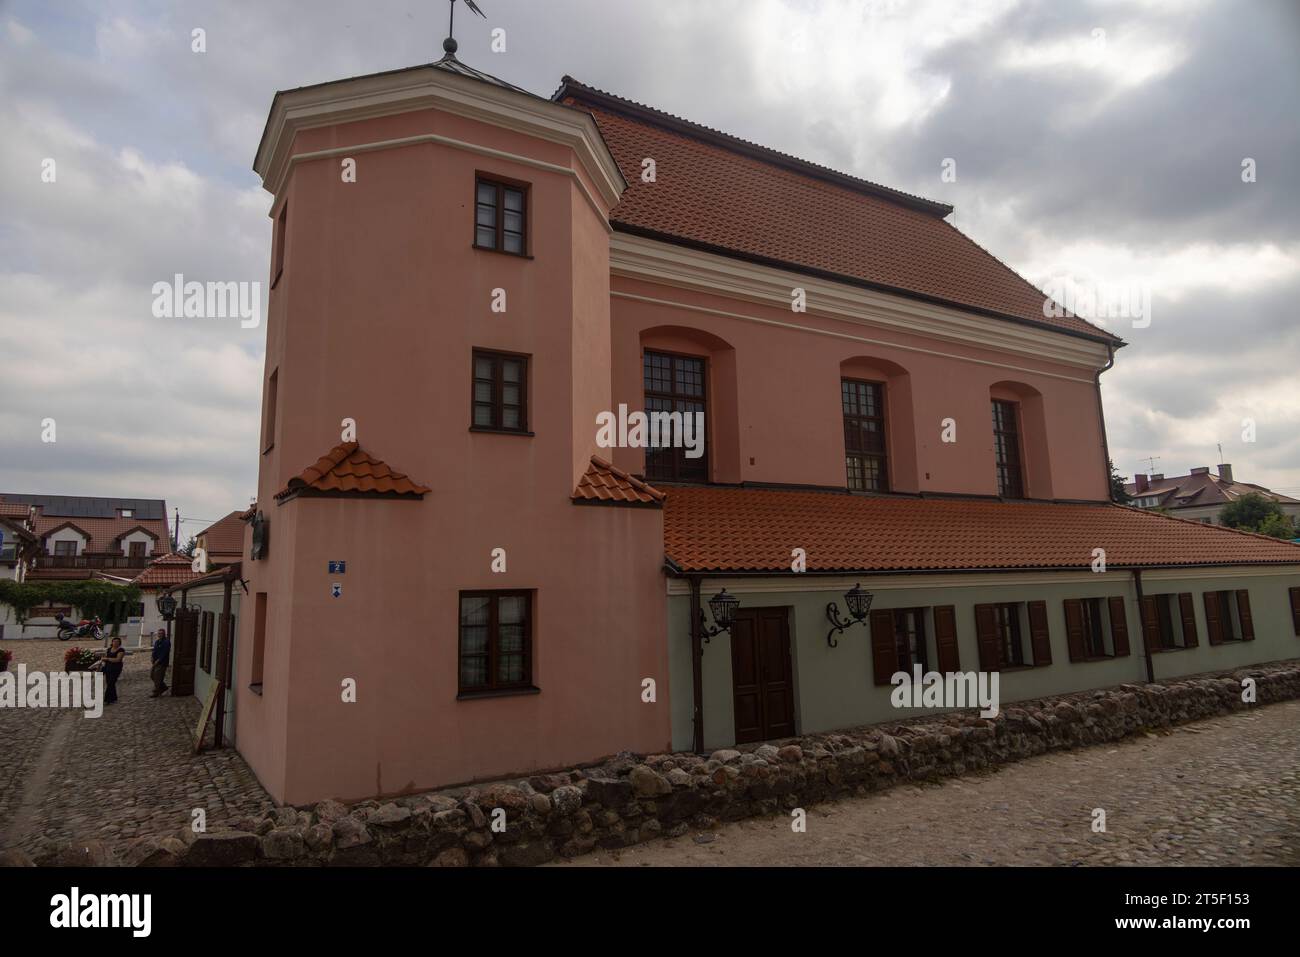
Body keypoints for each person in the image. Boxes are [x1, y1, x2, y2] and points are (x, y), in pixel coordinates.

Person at [100, 637, 126, 705]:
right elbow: (105, 658)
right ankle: (114, 698)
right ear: (112, 642)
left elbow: (118, 659)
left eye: (117, 642)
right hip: (108, 668)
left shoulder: (121, 650)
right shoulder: (109, 649)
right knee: (110, 683)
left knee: (111, 683)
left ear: (119, 643)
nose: (115, 643)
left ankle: (107, 699)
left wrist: (107, 659)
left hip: (116, 669)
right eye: (114, 641)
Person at [150, 628, 171, 697]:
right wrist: (152, 657)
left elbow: (164, 653)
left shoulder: (166, 642)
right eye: (159, 633)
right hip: (155, 662)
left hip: (162, 663)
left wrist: (158, 660)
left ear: (164, 634)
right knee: (152, 675)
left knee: (157, 677)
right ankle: (164, 687)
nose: (160, 635)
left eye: (161, 633)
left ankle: (156, 691)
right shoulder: (157, 641)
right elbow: (154, 650)